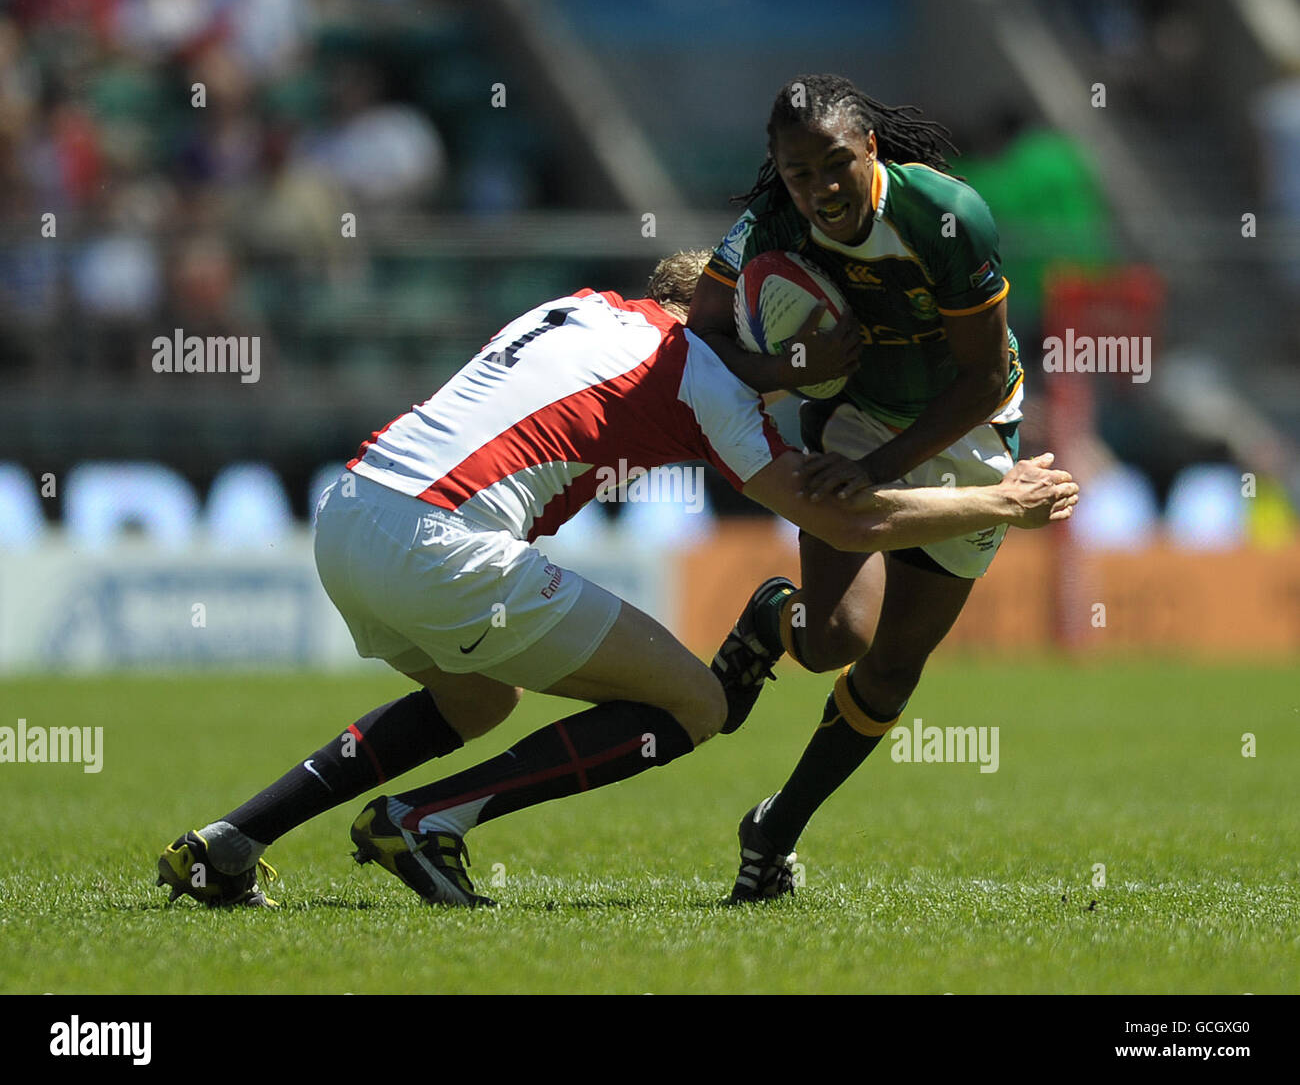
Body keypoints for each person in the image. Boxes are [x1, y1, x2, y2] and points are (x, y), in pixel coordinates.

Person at [155, 250, 1076, 908]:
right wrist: (1002, 504)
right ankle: (423, 818)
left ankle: (230, 841)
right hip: (443, 547)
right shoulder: (700, 375)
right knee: (697, 707)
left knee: (476, 701)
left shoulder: (584, 304)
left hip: (350, 512)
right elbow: (843, 519)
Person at [687, 74, 1036, 902]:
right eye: (799, 173)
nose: (821, 189)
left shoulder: (946, 215)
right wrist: (785, 370)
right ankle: (775, 616)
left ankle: (774, 829)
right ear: (779, 171)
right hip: (854, 421)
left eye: (836, 164)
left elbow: (984, 378)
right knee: (838, 635)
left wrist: (877, 475)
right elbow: (700, 337)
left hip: (970, 430)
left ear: (870, 148)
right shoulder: (768, 223)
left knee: (892, 672)